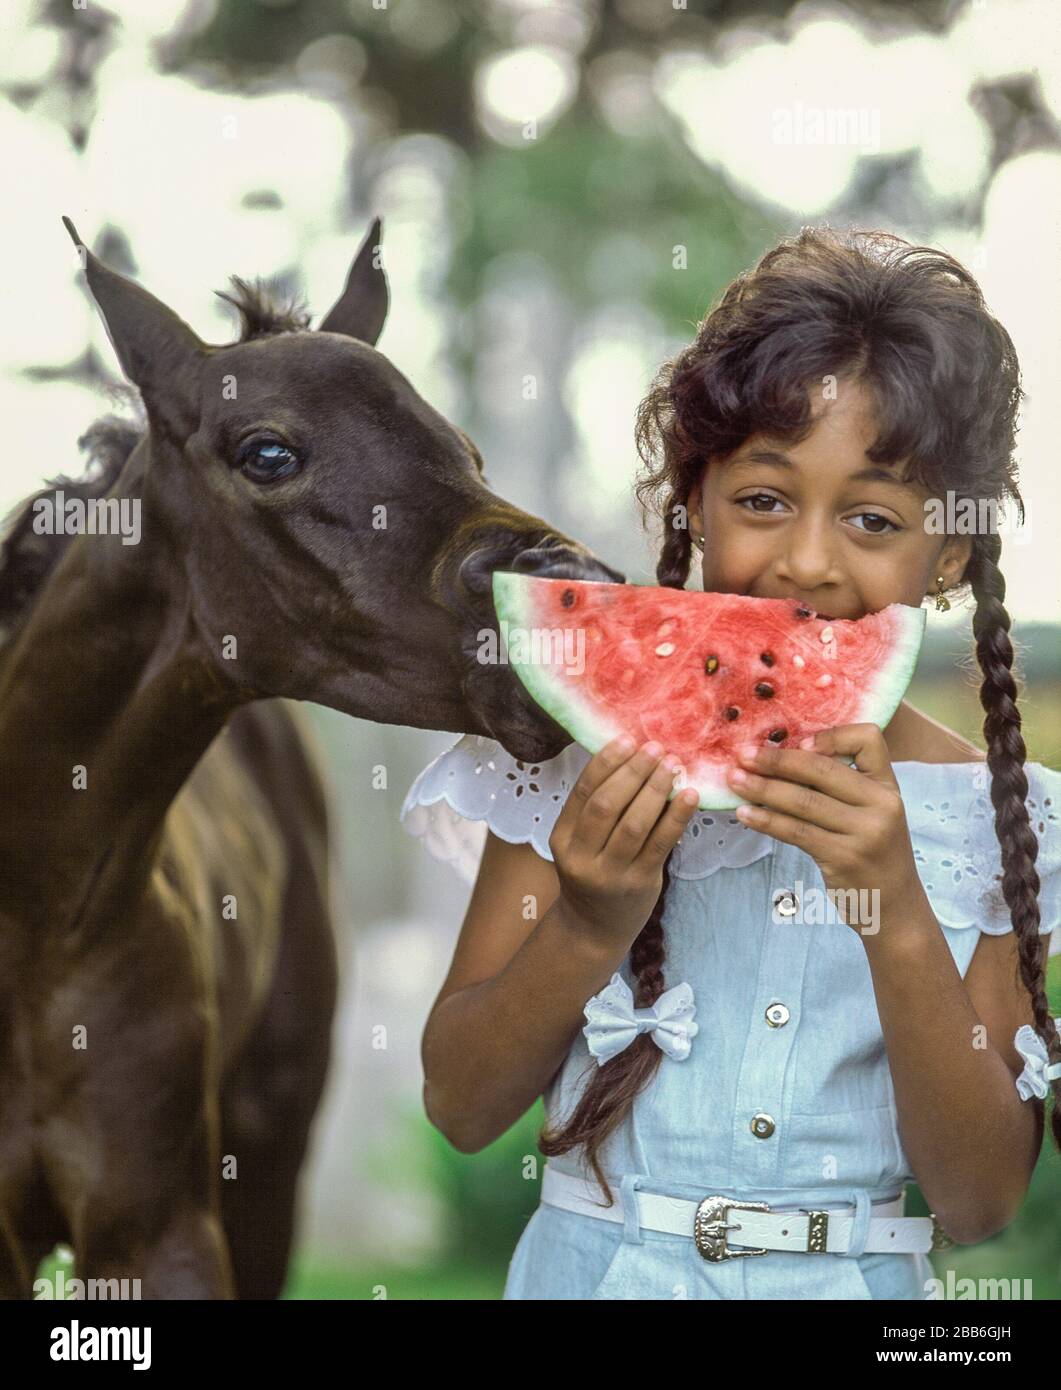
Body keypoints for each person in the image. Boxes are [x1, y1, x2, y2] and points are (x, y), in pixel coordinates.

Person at [400, 227, 1061, 1299]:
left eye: (870, 517)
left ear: (948, 555)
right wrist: (584, 921)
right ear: (691, 497)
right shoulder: (573, 767)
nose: (804, 561)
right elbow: (463, 1107)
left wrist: (890, 906)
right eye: (761, 499)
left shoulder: (999, 819)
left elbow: (977, 1203)